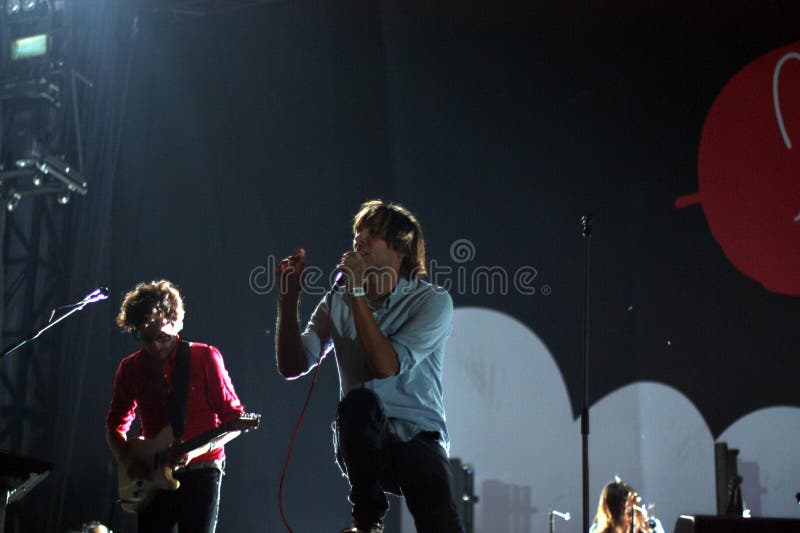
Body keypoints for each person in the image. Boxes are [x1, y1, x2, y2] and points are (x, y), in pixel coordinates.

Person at [276, 200, 462, 533]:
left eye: (372, 234)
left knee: (436, 509)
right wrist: (289, 301)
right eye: (357, 233)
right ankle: (367, 521)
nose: (359, 240)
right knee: (359, 403)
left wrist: (357, 290)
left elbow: (385, 367)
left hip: (418, 436)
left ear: (401, 249)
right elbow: (293, 365)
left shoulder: (432, 301)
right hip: (364, 440)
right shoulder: (338, 300)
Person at [106, 280, 244, 533]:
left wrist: (196, 451)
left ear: (176, 323)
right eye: (145, 339)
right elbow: (115, 425)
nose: (154, 347)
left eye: (161, 337)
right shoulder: (130, 368)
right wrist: (127, 458)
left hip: (203, 469)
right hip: (152, 474)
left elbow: (234, 421)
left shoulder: (204, 357)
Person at [589, 477, 666, 533]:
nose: (629, 519)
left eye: (630, 514)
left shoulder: (650, 528)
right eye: (627, 513)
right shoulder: (596, 530)